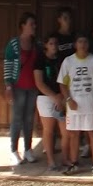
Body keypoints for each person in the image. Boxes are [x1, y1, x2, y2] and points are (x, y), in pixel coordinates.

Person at [58, 33, 93, 176]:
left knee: (92, 133)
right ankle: (74, 163)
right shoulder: (68, 61)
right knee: (74, 134)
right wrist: (68, 99)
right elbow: (62, 83)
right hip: (74, 105)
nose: (82, 44)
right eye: (79, 41)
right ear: (75, 44)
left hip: (91, 104)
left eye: (85, 41)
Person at [2, 12, 43, 165]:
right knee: (17, 118)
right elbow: (8, 64)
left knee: (29, 119)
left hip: (33, 87)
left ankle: (28, 149)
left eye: (34, 24)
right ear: (23, 25)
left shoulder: (37, 44)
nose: (34, 26)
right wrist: (8, 86)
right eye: (31, 24)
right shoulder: (13, 44)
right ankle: (13, 150)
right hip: (18, 86)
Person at [34, 33, 67, 173]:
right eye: (51, 43)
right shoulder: (40, 60)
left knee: (66, 130)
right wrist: (54, 97)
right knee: (49, 130)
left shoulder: (61, 59)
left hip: (61, 96)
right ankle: (51, 160)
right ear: (46, 45)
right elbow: (39, 83)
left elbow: (65, 79)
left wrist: (62, 96)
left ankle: (65, 158)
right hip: (45, 97)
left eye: (56, 43)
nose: (54, 46)